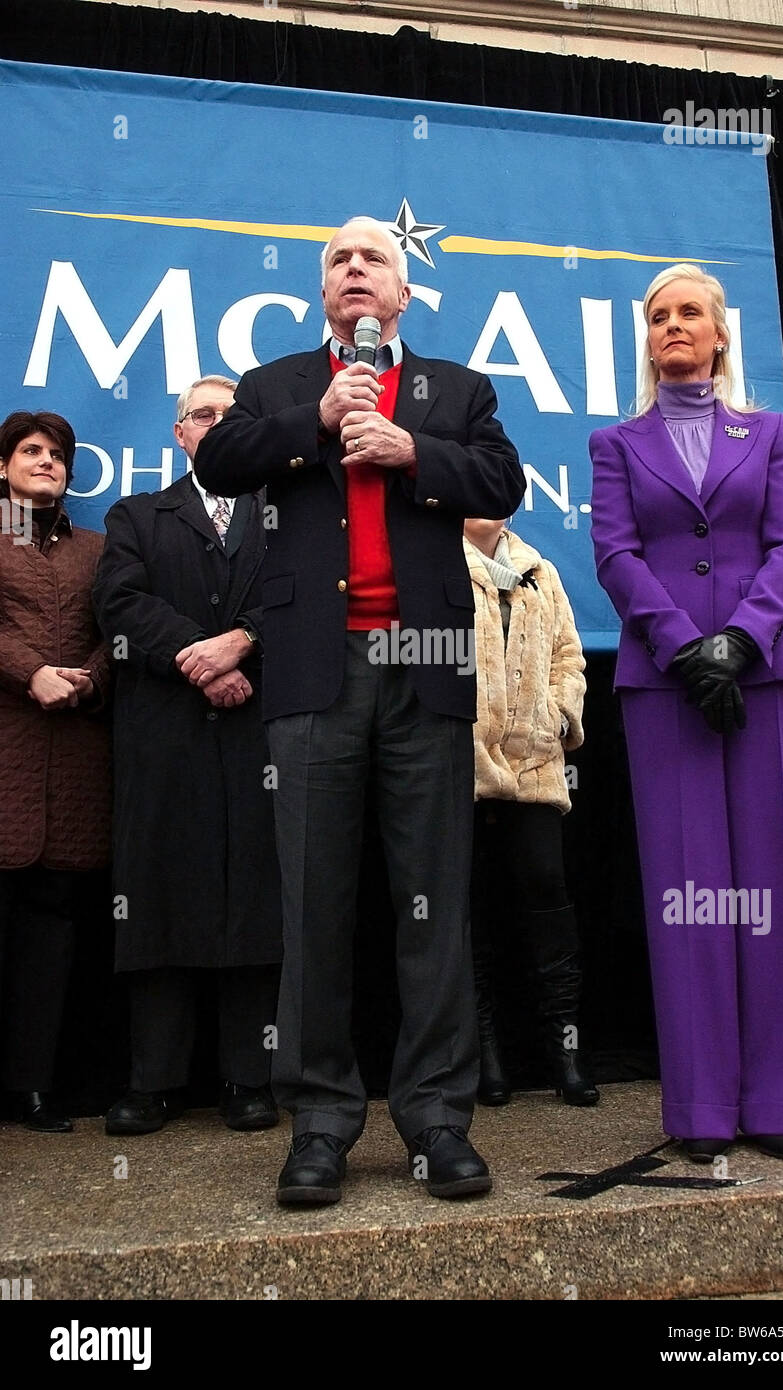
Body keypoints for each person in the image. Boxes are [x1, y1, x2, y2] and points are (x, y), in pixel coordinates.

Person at [195, 215, 525, 1204]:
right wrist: (321, 425)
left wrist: (410, 448)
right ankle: (322, 1123)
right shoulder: (277, 386)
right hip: (311, 673)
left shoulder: (456, 391)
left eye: (371, 257)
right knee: (312, 904)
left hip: (421, 670)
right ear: (322, 290)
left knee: (433, 903)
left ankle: (435, 1120)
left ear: (402, 290)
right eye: (337, 260)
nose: (354, 270)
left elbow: (503, 479)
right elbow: (221, 465)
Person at [589, 263, 783, 1162]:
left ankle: (780, 1104)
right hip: (663, 682)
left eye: (690, 313)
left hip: (760, 677)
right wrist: (686, 646)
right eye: (659, 317)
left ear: (720, 333)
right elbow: (614, 553)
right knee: (687, 895)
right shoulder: (614, 443)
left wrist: (741, 642)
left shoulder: (765, 432)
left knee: (770, 886)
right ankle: (700, 1109)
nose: (674, 326)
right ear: (646, 338)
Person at [93, 376, 282, 1135]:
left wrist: (245, 644)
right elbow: (119, 604)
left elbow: (302, 600)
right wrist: (200, 659)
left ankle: (249, 1078)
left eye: (232, 416)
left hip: (261, 740)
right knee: (158, 907)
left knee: (256, 908)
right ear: (179, 434)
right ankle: (153, 1083)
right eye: (202, 415)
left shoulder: (286, 514)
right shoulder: (136, 514)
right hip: (165, 741)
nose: (216, 424)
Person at [0, 410, 111, 1132]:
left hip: (75, 759)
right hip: (8, 739)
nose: (46, 461)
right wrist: (31, 672)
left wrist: (91, 681)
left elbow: (120, 628)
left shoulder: (98, 549)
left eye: (57, 454)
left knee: (54, 925)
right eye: (30, 451)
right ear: (2, 467)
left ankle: (32, 1085)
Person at [463, 517, 596, 1108]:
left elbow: (570, 654)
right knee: (464, 905)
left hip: (536, 764)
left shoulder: (543, 571)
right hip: (456, 765)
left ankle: (565, 1052)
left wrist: (560, 714)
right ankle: (484, 1056)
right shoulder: (432, 562)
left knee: (546, 891)